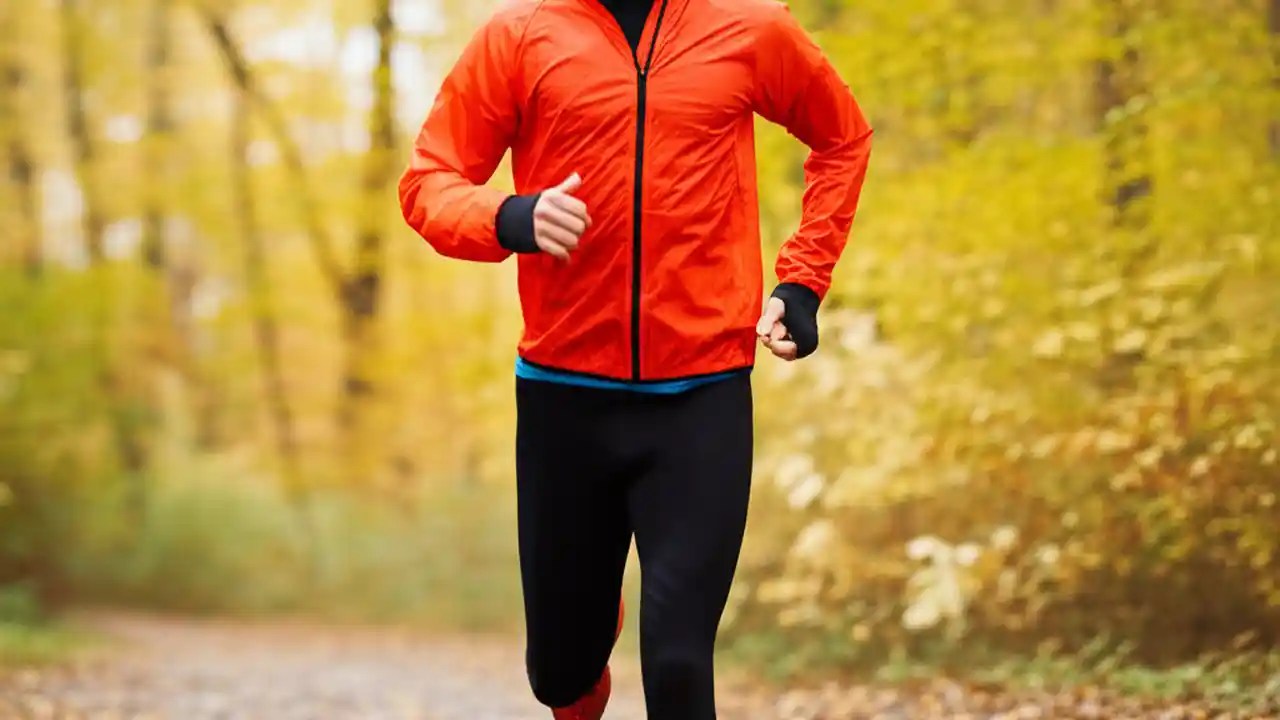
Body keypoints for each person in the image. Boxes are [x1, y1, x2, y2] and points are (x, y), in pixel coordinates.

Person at [398, 0, 871, 715]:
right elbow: (428, 182)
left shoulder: (749, 28)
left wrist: (802, 282)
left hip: (701, 395)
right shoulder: (520, 34)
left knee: (679, 658)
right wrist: (509, 217)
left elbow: (843, 138)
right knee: (559, 671)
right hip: (564, 395)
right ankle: (587, 630)